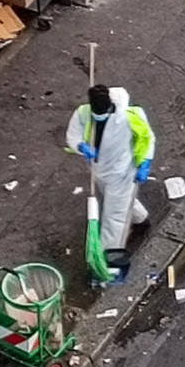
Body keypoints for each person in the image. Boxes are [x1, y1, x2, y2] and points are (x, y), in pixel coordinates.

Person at [64, 85, 155, 279]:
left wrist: (145, 161)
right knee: (118, 203)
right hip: (99, 171)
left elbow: (146, 138)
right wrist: (81, 145)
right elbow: (73, 134)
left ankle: (107, 255)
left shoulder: (131, 116)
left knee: (113, 217)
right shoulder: (83, 112)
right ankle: (141, 219)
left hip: (122, 172)